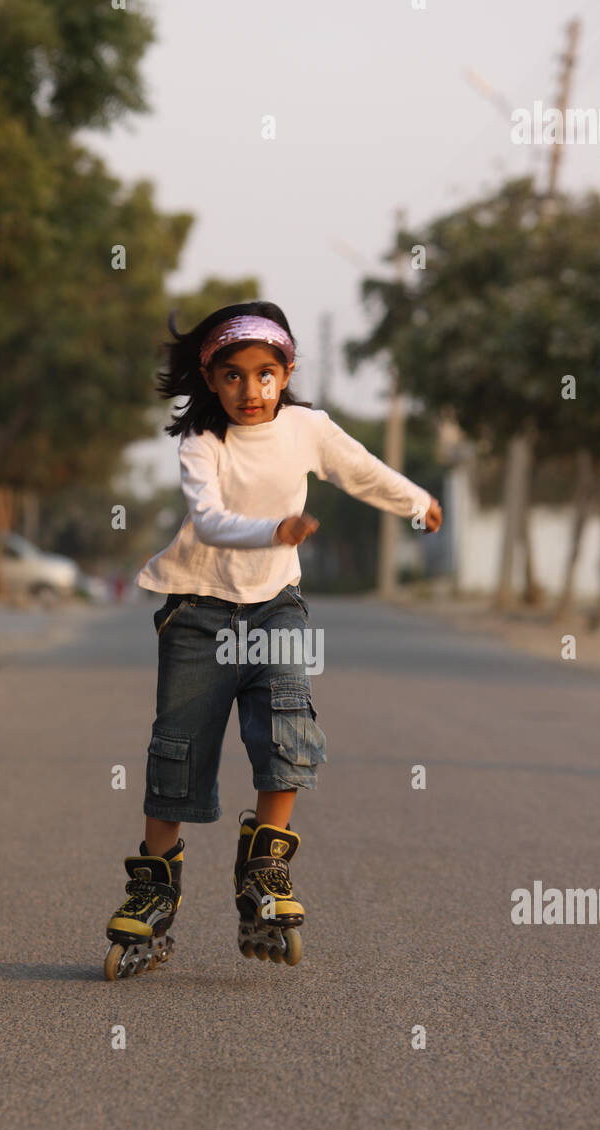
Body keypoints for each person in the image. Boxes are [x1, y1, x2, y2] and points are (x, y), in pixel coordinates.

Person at [102, 300, 442, 980]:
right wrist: (274, 530)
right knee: (179, 750)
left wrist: (416, 502)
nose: (250, 391)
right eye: (232, 376)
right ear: (211, 379)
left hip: (274, 607)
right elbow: (212, 520)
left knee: (287, 721)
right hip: (197, 610)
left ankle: (265, 868)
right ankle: (154, 887)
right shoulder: (203, 443)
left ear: (287, 372)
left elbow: (362, 469)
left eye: (265, 374)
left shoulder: (306, 428)